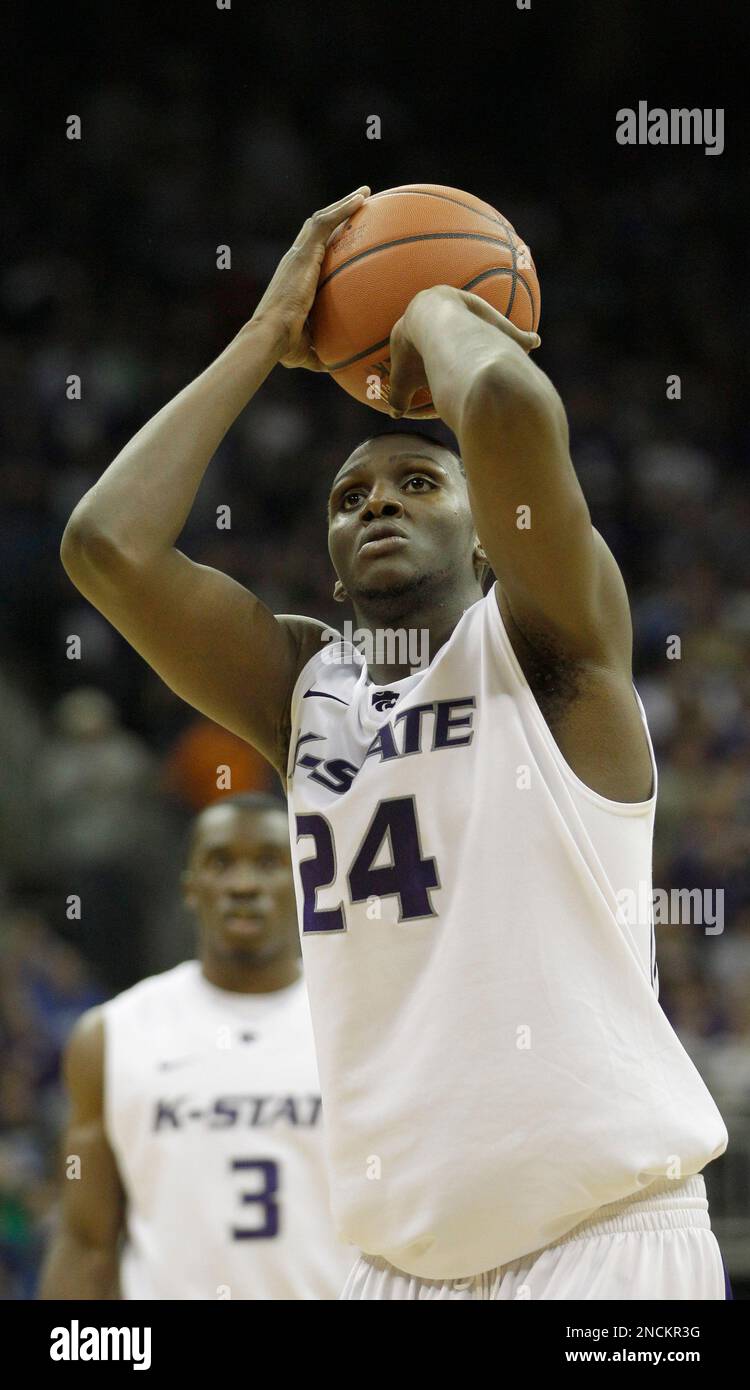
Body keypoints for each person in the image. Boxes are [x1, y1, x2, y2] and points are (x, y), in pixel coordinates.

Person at [60, 186, 729, 1300]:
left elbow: (509, 399)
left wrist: (426, 303)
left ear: (488, 539)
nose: (379, 503)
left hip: (606, 1242)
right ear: (328, 560)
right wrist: (265, 334)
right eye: (350, 494)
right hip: (398, 1268)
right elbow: (106, 547)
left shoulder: (554, 651)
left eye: (421, 482)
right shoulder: (300, 691)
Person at [39, 792, 353, 1300]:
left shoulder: (359, 1025)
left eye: (270, 863)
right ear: (191, 888)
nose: (244, 885)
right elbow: (84, 1242)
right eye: (220, 862)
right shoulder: (113, 1034)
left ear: (304, 880)